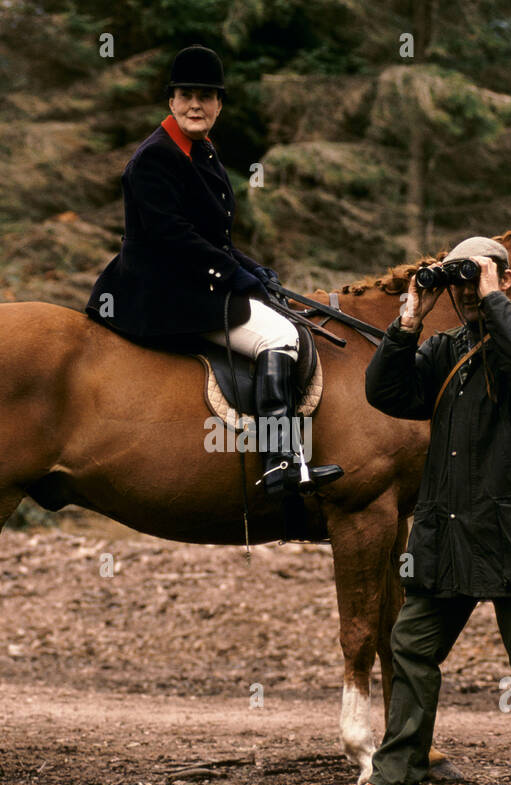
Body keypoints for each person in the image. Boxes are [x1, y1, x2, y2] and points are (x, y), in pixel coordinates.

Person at [316, 237, 511, 785]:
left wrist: (491, 296)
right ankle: (396, 778)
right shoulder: (446, 349)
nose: (463, 291)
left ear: (506, 281)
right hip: (449, 529)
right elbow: (386, 392)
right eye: (459, 281)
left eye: (476, 279)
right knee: (411, 646)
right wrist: (407, 323)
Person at [85, 44, 341, 498]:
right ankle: (280, 458)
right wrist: (235, 276)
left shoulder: (201, 152)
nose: (195, 105)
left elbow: (212, 240)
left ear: (219, 105)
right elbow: (173, 237)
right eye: (186, 95)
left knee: (281, 315)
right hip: (162, 292)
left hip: (192, 279)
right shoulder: (155, 158)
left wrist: (254, 270)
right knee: (277, 336)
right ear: (171, 101)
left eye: (206, 96)